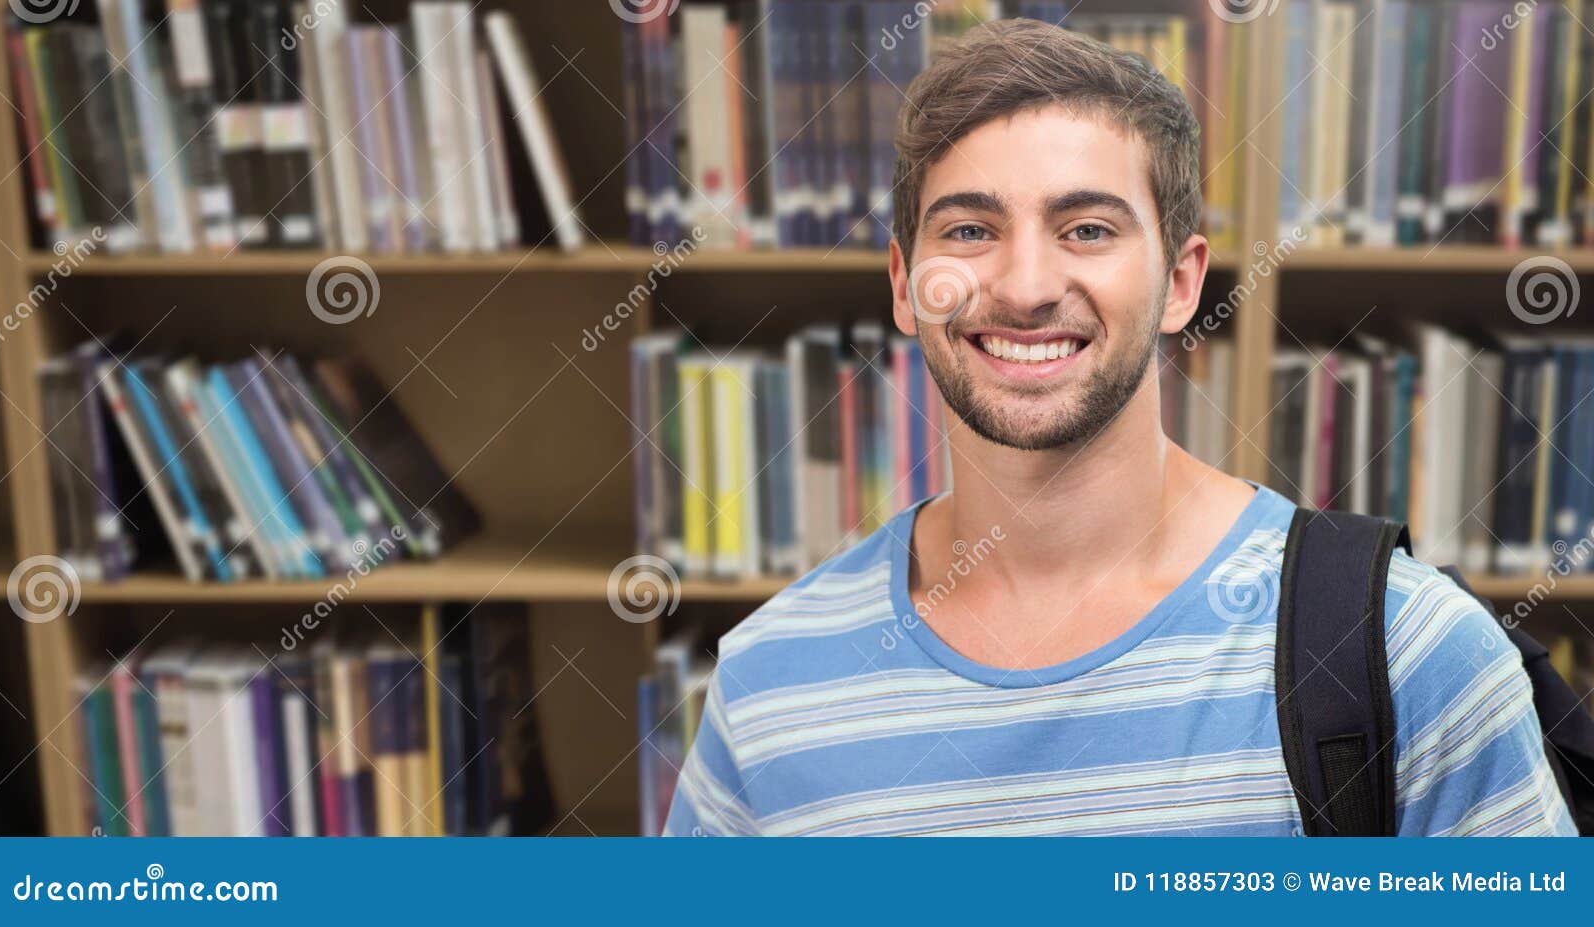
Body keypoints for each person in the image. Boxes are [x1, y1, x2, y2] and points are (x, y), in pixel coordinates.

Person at [663, 19, 1575, 836]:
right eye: (971, 231)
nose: (1024, 287)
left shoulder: (1409, 650)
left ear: (1181, 283)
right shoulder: (765, 688)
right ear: (905, 285)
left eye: (1089, 229)